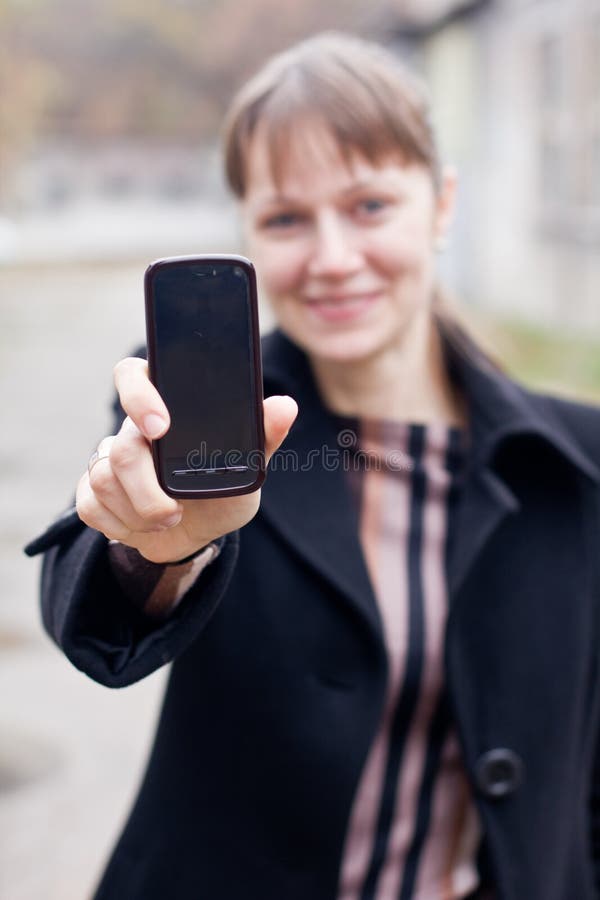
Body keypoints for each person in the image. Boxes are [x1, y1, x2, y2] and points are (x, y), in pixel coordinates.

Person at [25, 31, 600, 900]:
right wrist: (155, 546)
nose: (332, 259)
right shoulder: (197, 417)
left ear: (441, 206)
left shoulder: (578, 464)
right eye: (287, 218)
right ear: (248, 230)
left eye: (370, 206)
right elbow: (99, 601)